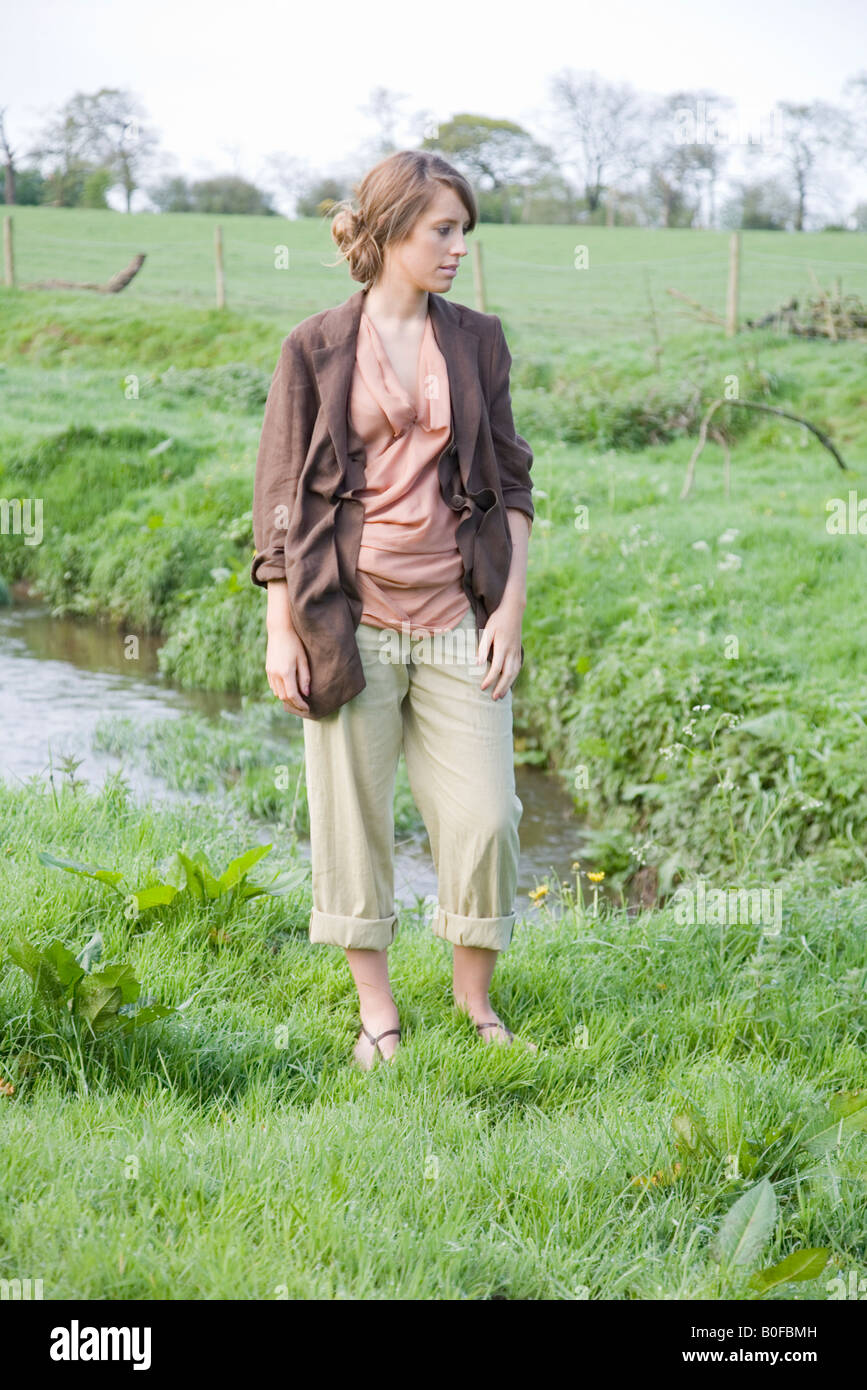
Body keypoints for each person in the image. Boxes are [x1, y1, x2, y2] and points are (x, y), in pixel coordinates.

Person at [251, 149, 536, 1069]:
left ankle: (475, 1003)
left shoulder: (478, 340)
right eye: (440, 230)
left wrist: (510, 609)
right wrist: (280, 625)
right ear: (387, 234)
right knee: (352, 816)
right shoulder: (313, 345)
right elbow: (279, 500)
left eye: (464, 231)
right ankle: (379, 1015)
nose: (457, 248)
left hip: (458, 611)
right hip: (349, 617)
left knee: (486, 814)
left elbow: (514, 479)